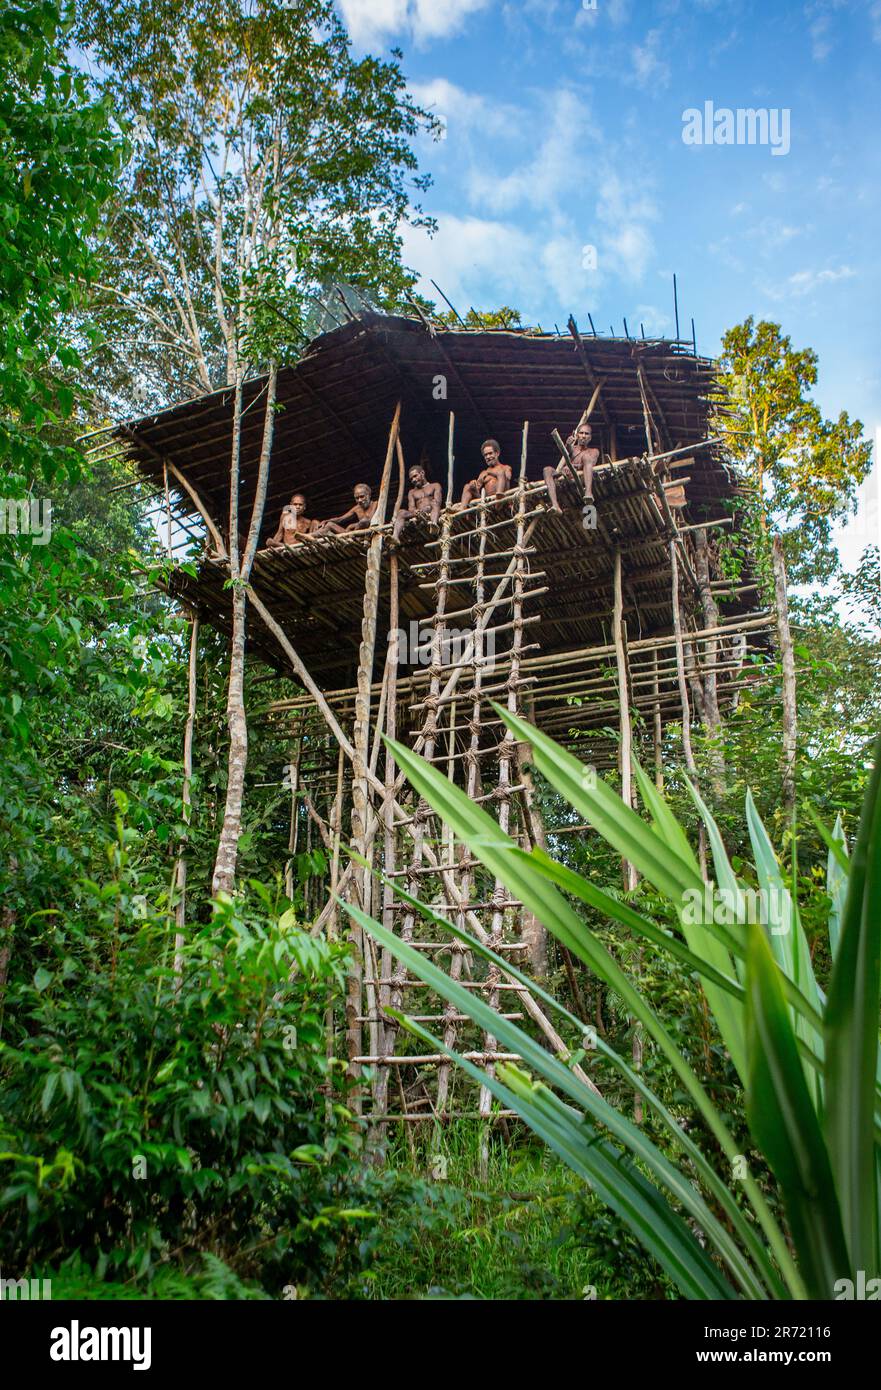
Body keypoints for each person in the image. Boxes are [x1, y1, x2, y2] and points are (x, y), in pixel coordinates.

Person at [544, 420, 599, 513]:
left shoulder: (594, 451)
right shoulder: (572, 449)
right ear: (577, 435)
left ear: (590, 437)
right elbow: (568, 452)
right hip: (565, 476)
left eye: (586, 434)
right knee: (547, 469)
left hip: (580, 478)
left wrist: (573, 467)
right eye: (581, 433)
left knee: (586, 457)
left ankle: (588, 493)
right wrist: (568, 444)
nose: (583, 436)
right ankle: (555, 505)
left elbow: (591, 463)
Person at [392, 464, 443, 542]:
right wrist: (415, 511)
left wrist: (428, 508)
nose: (413, 480)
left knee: (434, 503)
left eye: (415, 476)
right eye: (411, 479)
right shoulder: (412, 492)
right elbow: (411, 507)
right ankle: (395, 537)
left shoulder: (435, 485)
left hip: (432, 511)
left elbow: (438, 502)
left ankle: (434, 524)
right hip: (418, 514)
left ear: (422, 473)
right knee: (401, 512)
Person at [459, 439, 511, 507]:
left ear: (497, 453)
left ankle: (499, 499)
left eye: (490, 453)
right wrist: (473, 485)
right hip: (487, 502)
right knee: (467, 486)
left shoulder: (505, 467)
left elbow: (508, 477)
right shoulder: (483, 473)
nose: (488, 457)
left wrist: (489, 472)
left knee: (501, 472)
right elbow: (477, 488)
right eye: (485, 455)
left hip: (501, 502)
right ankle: (462, 508)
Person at [313, 483, 377, 536]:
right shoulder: (357, 508)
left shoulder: (375, 504)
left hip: (368, 534)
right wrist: (326, 520)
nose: (359, 500)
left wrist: (352, 525)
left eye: (362, 496)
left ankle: (351, 536)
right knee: (329, 524)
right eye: (357, 498)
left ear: (369, 495)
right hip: (352, 535)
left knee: (364, 521)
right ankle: (309, 536)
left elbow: (368, 521)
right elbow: (341, 519)